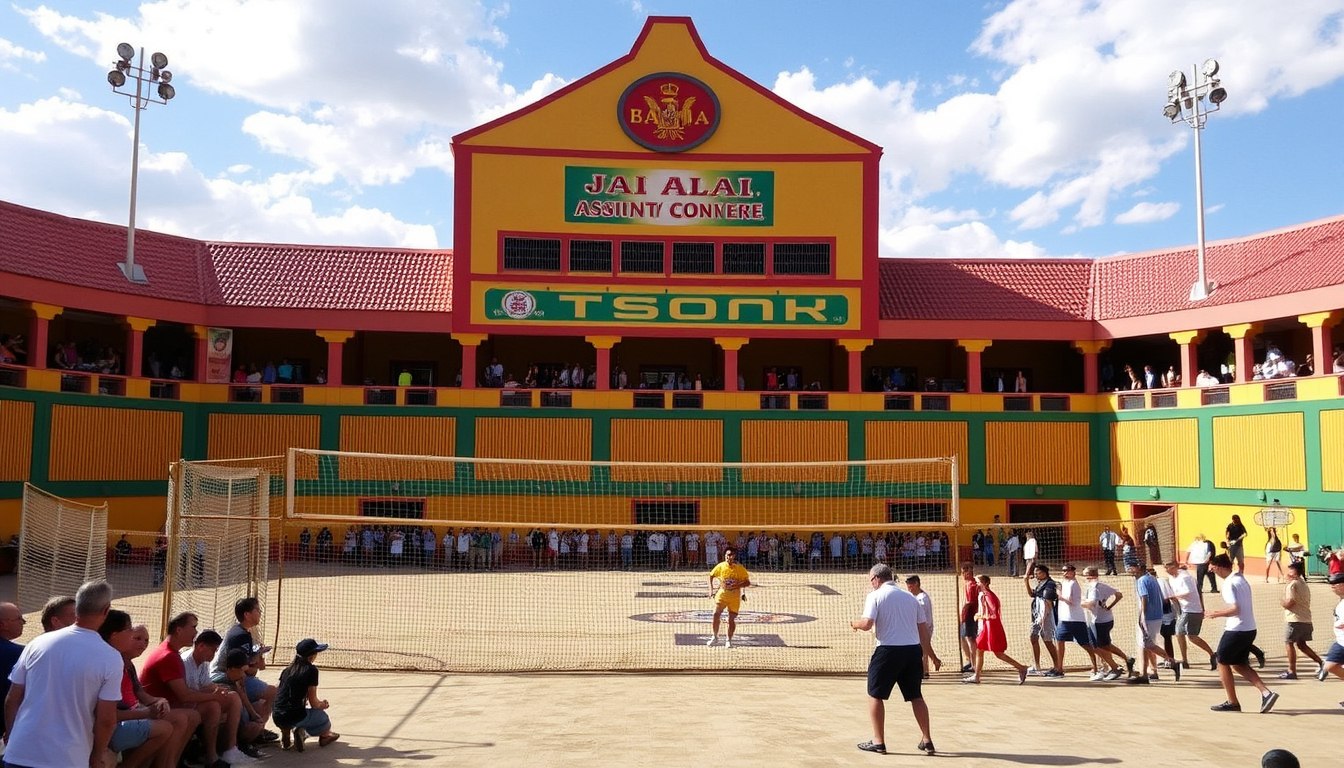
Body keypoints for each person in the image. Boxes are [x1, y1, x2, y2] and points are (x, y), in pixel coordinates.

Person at [3, 580, 124, 768]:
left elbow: (12, 699)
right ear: (106, 610)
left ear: (78, 608)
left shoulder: (37, 643)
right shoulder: (110, 657)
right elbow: (107, 720)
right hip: (67, 758)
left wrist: (12, 737)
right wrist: (97, 755)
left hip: (19, 753)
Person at [851, 564, 940, 755]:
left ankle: (878, 741)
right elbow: (923, 631)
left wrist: (854, 624)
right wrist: (930, 654)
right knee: (916, 695)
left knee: (875, 694)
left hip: (887, 650)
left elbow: (867, 624)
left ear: (876, 578)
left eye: (870, 580)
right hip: (912, 651)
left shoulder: (875, 596)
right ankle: (927, 739)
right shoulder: (911, 598)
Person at [1206, 553, 1278, 712]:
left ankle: (1232, 702)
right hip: (1249, 628)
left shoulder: (1229, 584)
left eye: (1212, 567)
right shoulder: (1241, 579)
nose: (1211, 570)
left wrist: (1215, 613)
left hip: (1236, 629)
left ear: (1219, 566)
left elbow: (1235, 609)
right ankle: (1266, 693)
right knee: (1238, 664)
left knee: (1221, 661)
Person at [272, 638, 340, 751]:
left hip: (278, 716)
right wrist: (323, 704)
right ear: (311, 656)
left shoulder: (287, 670)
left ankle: (286, 732)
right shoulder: (311, 670)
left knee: (288, 710)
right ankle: (324, 735)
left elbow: (280, 693)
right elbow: (314, 703)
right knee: (323, 718)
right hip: (295, 715)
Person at [965, 574, 1027, 684]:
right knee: (980, 649)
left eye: (978, 581)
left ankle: (1021, 667)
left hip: (990, 627)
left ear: (984, 583)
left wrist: (980, 616)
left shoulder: (988, 595)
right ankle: (977, 676)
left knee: (997, 653)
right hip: (986, 626)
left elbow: (993, 614)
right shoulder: (984, 594)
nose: (976, 583)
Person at [1125, 562, 1180, 684]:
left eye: (1132, 567)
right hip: (1157, 616)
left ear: (1139, 567)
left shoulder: (1141, 581)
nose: (1130, 569)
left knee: (1147, 644)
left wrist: (1142, 615)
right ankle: (1150, 671)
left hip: (1148, 617)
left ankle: (1171, 662)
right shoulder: (1153, 578)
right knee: (1147, 644)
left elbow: (1144, 598)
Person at [1164, 561, 1217, 671]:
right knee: (1186, 635)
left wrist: (1173, 597)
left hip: (1191, 609)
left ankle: (1209, 655)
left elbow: (1188, 591)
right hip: (1183, 609)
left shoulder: (1185, 577)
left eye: (1167, 568)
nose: (1166, 570)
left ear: (1174, 567)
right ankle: (1188, 659)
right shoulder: (1172, 578)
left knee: (1184, 633)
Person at [1278, 561, 1323, 680]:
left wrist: (1282, 602)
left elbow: (1290, 602)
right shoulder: (1304, 584)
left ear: (1294, 571)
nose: (1288, 572)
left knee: (1289, 643)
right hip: (1306, 619)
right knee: (1302, 645)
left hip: (1294, 619)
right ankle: (1321, 662)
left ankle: (1291, 671)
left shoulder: (1292, 584)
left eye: (1290, 569)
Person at [1080, 566, 1126, 680]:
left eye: (1085, 575)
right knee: (1104, 645)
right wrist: (1110, 606)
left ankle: (1117, 666)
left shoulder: (1094, 588)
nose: (1084, 578)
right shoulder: (1103, 586)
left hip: (1099, 621)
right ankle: (1110, 666)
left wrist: (1078, 603)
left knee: (1101, 646)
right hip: (1107, 619)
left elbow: (1091, 604)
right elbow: (1119, 595)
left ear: (1090, 576)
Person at [706, 546, 750, 648]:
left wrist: (738, 587)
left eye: (730, 555)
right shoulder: (720, 566)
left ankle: (729, 640)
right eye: (727, 555)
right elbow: (710, 575)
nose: (728, 557)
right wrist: (711, 590)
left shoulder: (739, 568)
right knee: (715, 614)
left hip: (734, 598)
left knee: (731, 619)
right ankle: (714, 636)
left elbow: (747, 582)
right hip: (722, 595)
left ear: (734, 556)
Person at [1024, 565, 1061, 677]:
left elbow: (1048, 602)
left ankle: (1057, 667)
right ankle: (1036, 666)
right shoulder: (1041, 583)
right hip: (1037, 615)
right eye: (1035, 573)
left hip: (1046, 617)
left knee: (1048, 641)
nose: (1035, 575)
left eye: (1038, 573)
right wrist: (1026, 582)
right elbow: (1032, 594)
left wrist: (1042, 619)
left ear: (1045, 573)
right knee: (1033, 638)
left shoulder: (1050, 584)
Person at [904, 575, 935, 679]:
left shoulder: (922, 599)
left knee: (921, 650)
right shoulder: (918, 597)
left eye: (911, 585)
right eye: (908, 585)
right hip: (922, 627)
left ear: (916, 583)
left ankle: (923, 671)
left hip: (923, 628)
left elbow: (921, 618)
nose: (909, 588)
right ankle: (924, 671)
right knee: (923, 650)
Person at [1318, 572, 1344, 684]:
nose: (1332, 587)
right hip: (1340, 641)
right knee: (1330, 666)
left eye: (1335, 584)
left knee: (1330, 666)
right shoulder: (1341, 600)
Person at [957, 563, 980, 674]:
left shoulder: (971, 585)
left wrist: (963, 610)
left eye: (963, 571)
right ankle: (970, 660)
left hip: (969, 615)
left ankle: (974, 664)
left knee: (970, 639)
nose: (962, 574)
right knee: (963, 637)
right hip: (967, 615)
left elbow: (969, 602)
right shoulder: (968, 583)